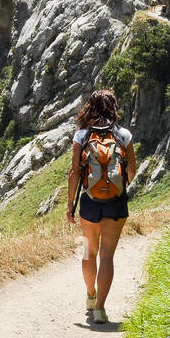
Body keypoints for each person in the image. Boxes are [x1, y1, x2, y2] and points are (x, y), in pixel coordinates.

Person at [65, 89, 137, 324]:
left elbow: (74, 172)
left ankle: (90, 295)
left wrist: (70, 205)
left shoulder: (82, 135)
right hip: (116, 203)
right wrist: (116, 185)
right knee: (107, 257)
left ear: (90, 108)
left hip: (89, 202)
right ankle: (100, 309)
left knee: (89, 251)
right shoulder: (124, 135)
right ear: (114, 108)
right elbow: (131, 171)